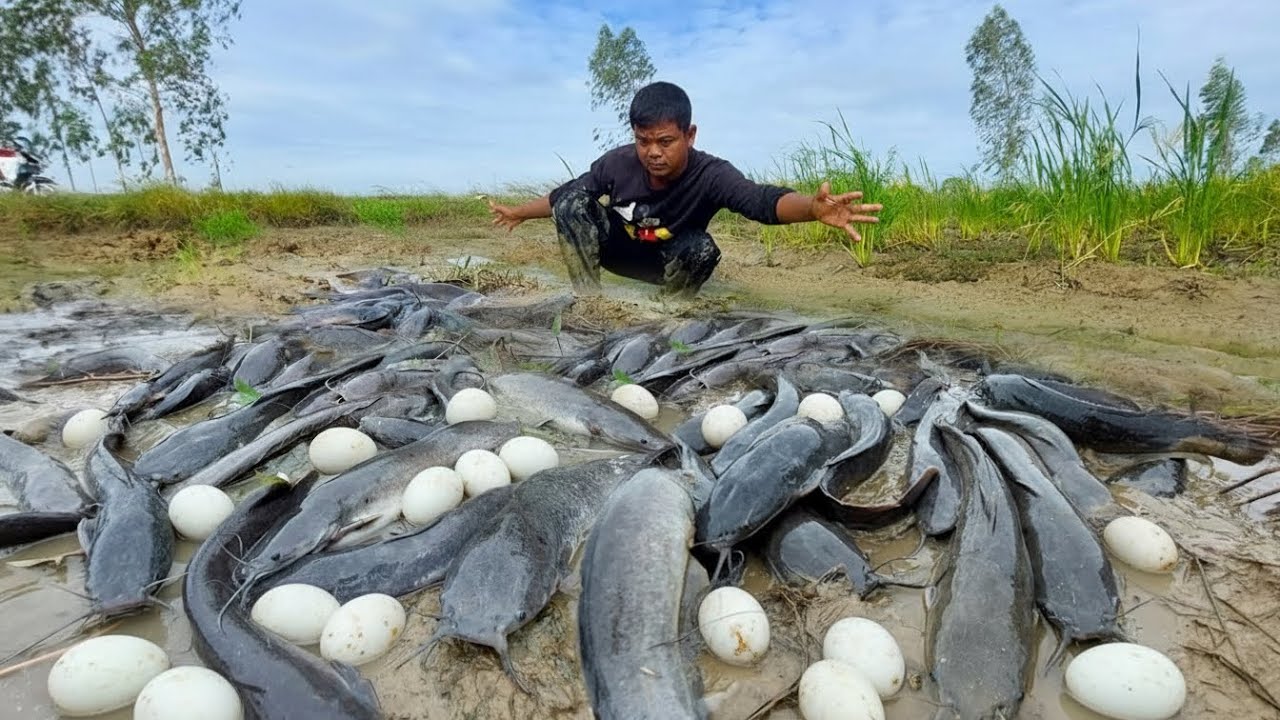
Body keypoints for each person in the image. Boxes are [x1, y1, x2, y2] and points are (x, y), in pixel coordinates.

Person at [487, 81, 882, 297]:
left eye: (665, 141)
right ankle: (588, 300)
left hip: (666, 264)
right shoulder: (617, 163)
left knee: (702, 247)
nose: (652, 153)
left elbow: (760, 201)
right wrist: (518, 213)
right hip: (619, 252)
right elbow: (565, 195)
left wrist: (811, 208)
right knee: (574, 202)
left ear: (689, 135)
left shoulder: (712, 173)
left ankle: (672, 311)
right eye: (643, 141)